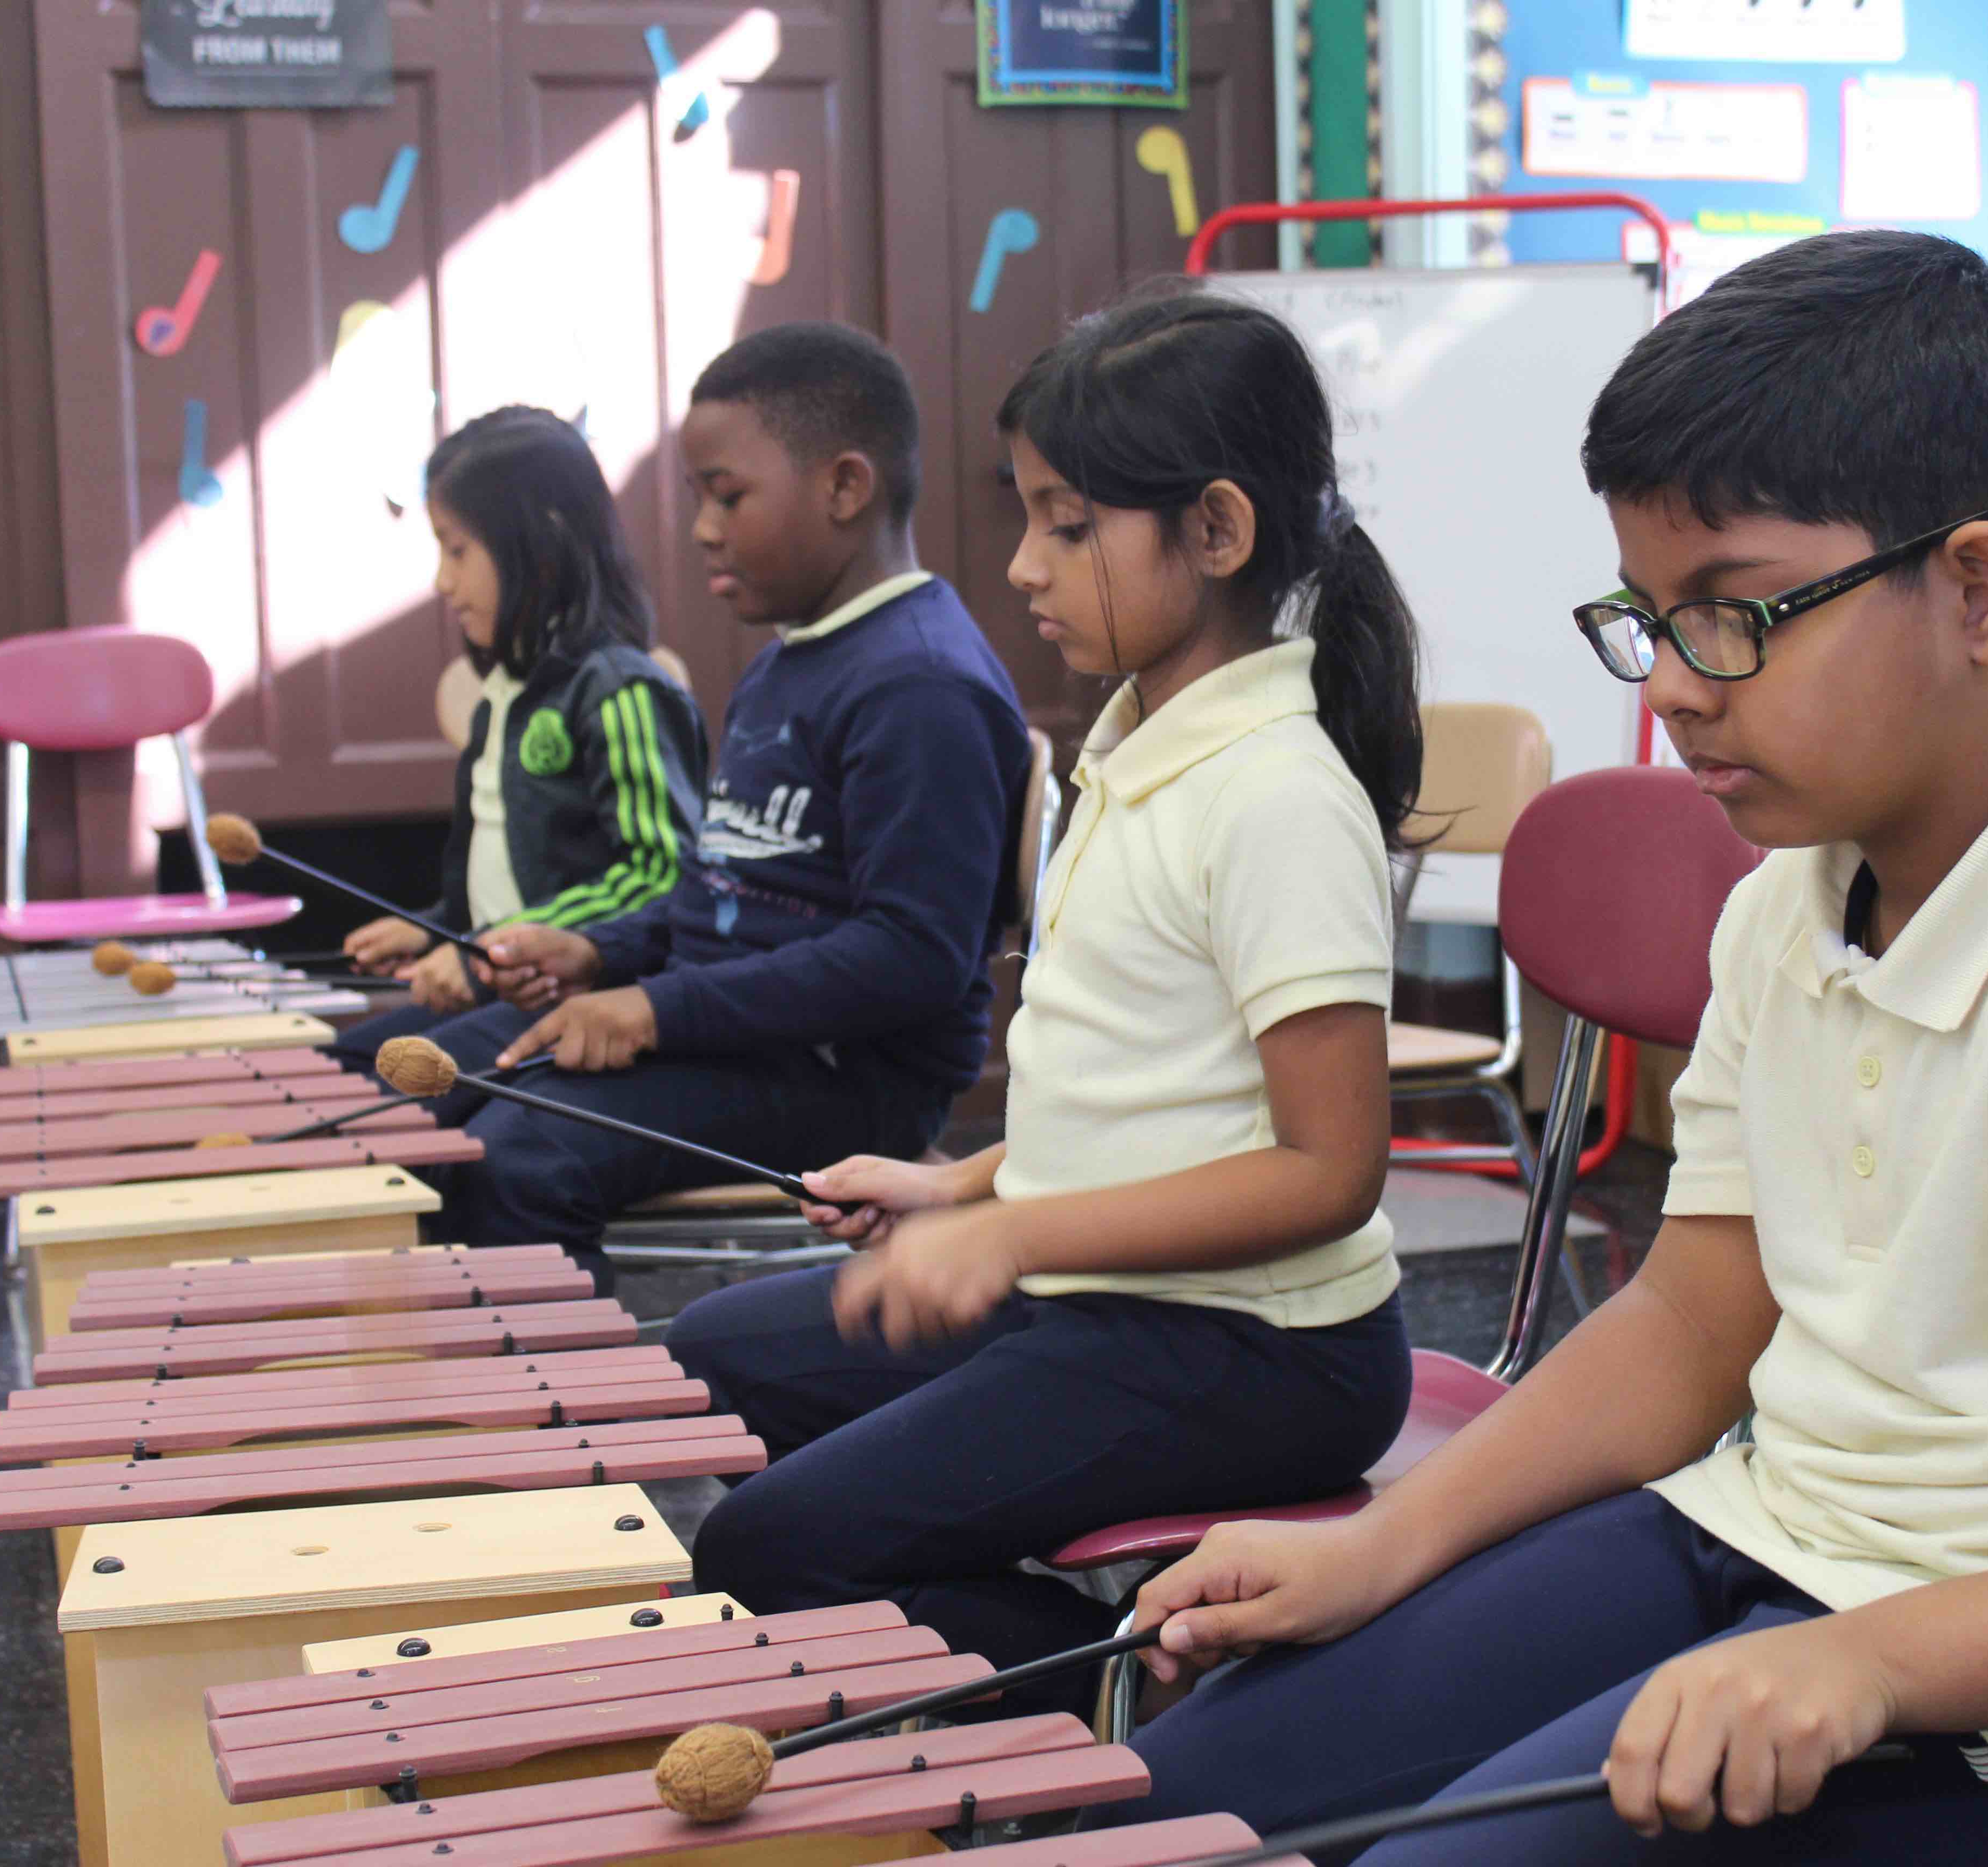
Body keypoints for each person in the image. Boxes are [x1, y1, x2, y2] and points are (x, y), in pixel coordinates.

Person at [1094, 230, 1988, 1867]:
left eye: (1733, 615)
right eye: (1648, 619)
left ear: (1979, 589)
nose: (1678, 690)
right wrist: (1388, 1544)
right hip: (1771, 1538)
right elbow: (1697, 1318)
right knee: (1170, 1809)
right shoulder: (1793, 903)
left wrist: (1868, 1662)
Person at [653, 290, 1425, 1714]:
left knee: (772, 1544)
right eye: (1025, 516)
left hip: (1259, 1350)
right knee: (708, 1360)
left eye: (1067, 525)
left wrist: (1012, 1236)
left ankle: (1145, 1711)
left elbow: (1328, 1170)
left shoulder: (1275, 796)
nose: (1020, 565)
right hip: (1100, 1283)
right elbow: (1155, 1094)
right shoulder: (1137, 740)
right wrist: (967, 1188)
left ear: (1216, 532)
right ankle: (1064, 1665)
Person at [405, 324, 1030, 1253]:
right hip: (737, 1036)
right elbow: (726, 898)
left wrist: (656, 1010)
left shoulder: (919, 687)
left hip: (842, 1082)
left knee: (514, 1154)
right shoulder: (791, 661)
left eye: (727, 497)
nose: (700, 527)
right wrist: (595, 951)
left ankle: (564, 1395)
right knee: (410, 1089)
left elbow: (913, 955)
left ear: (845, 488)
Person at [338, 405, 703, 1047]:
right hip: (502, 979)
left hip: (580, 1003)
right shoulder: (505, 693)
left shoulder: (619, 688)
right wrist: (439, 928)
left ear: (541, 544)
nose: (444, 581)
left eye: (458, 551)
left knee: (387, 1096)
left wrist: (488, 949)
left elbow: (661, 873)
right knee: (342, 1066)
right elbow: (503, 876)